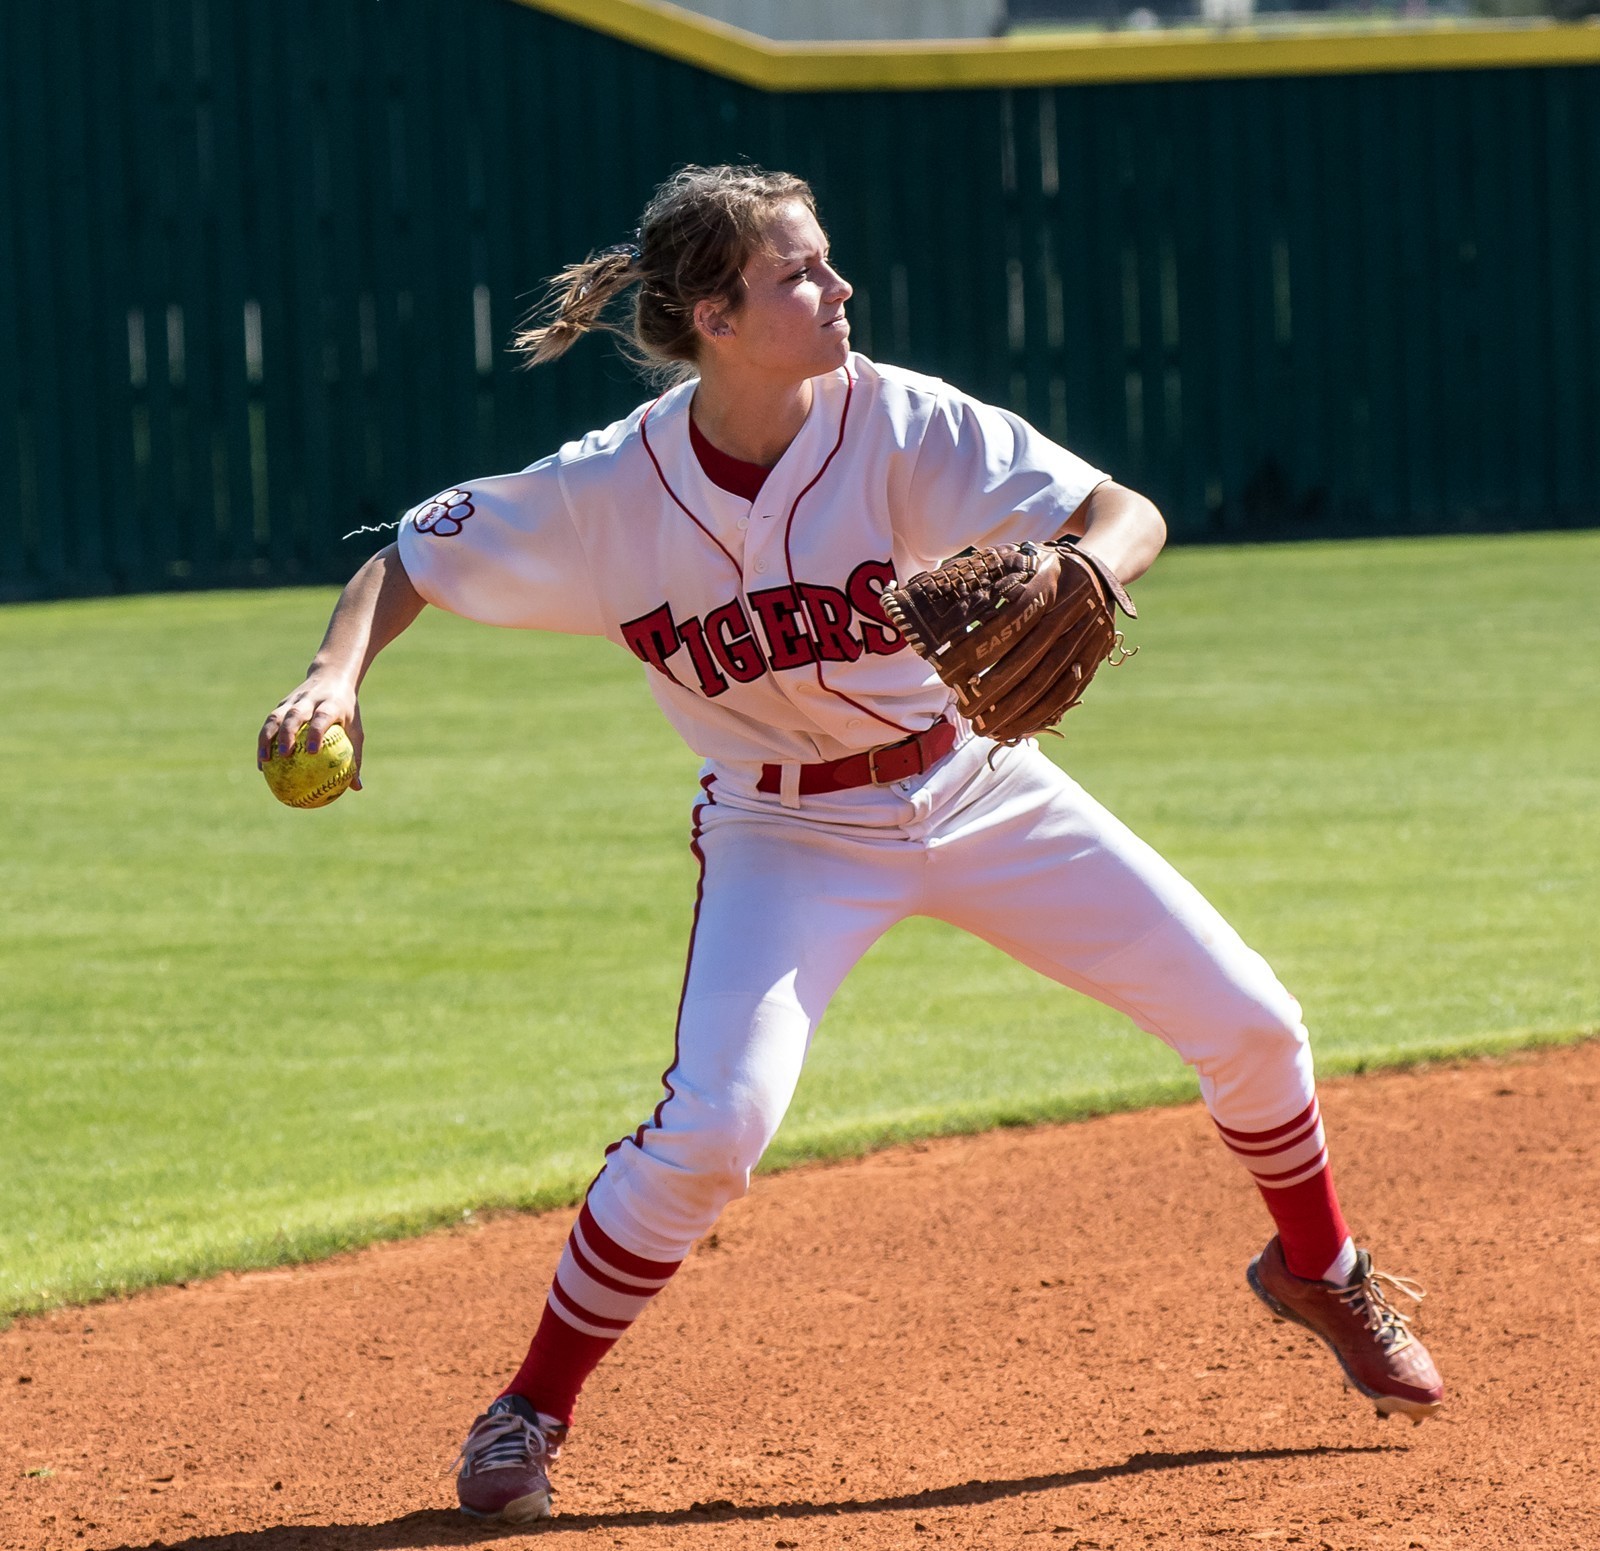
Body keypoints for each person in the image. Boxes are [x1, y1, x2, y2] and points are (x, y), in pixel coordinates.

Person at [258, 164, 1443, 1525]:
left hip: (978, 783)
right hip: (782, 829)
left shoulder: (899, 420)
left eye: (826, 264)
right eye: (800, 275)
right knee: (715, 1130)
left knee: (1255, 1021)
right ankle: (530, 1409)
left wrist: (1092, 570)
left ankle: (1320, 1268)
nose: (840, 289)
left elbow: (1125, 509)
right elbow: (411, 554)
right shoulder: (608, 491)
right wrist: (333, 676)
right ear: (715, 315)